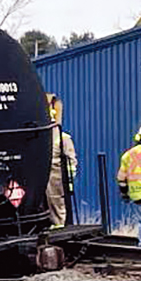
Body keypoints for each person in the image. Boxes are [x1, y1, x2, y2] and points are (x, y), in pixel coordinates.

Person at [45, 92, 78, 228]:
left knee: (57, 205)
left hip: (56, 178)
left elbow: (71, 162)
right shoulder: (41, 138)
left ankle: (59, 227)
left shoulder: (63, 138)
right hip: (46, 179)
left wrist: (68, 181)